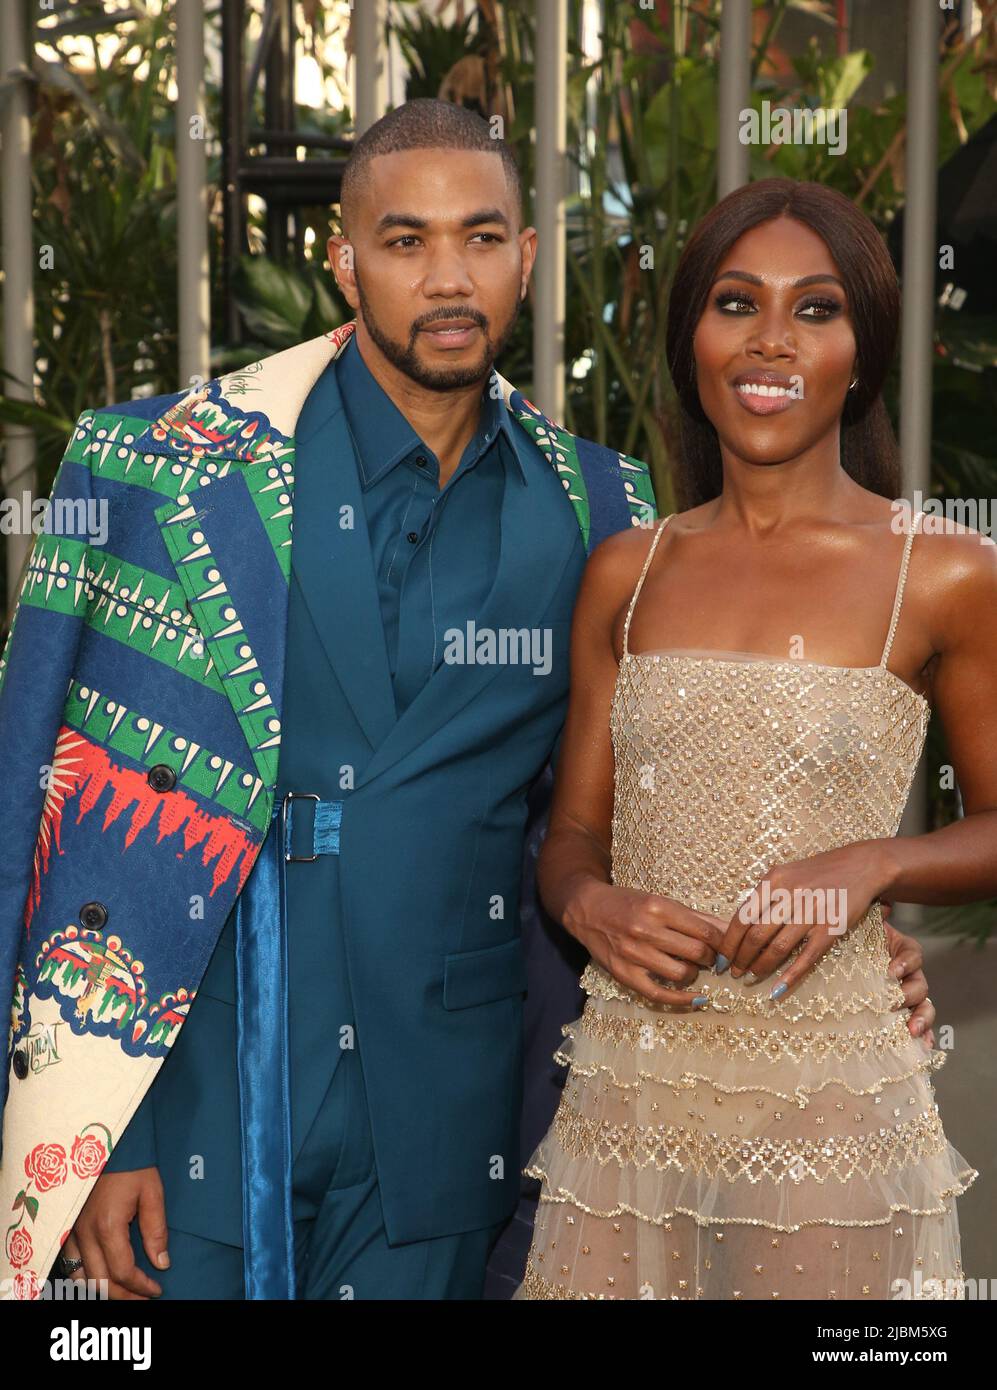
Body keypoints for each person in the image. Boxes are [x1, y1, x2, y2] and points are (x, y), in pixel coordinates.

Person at [0, 100, 933, 1302]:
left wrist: (854, 925)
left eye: (482, 238)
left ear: (528, 257)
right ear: (342, 262)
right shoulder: (160, 464)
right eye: (404, 241)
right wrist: (96, 1124)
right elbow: (39, 790)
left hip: (449, 1116)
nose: (449, 278)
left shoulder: (604, 509)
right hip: (193, 1090)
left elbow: (625, 806)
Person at [514, 178, 991, 1302]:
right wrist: (591, 904)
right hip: (629, 1088)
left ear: (861, 354)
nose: (771, 337)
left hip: (830, 1100)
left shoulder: (945, 571)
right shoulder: (626, 573)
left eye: (815, 310)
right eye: (736, 302)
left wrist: (874, 863)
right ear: (691, 341)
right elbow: (575, 831)